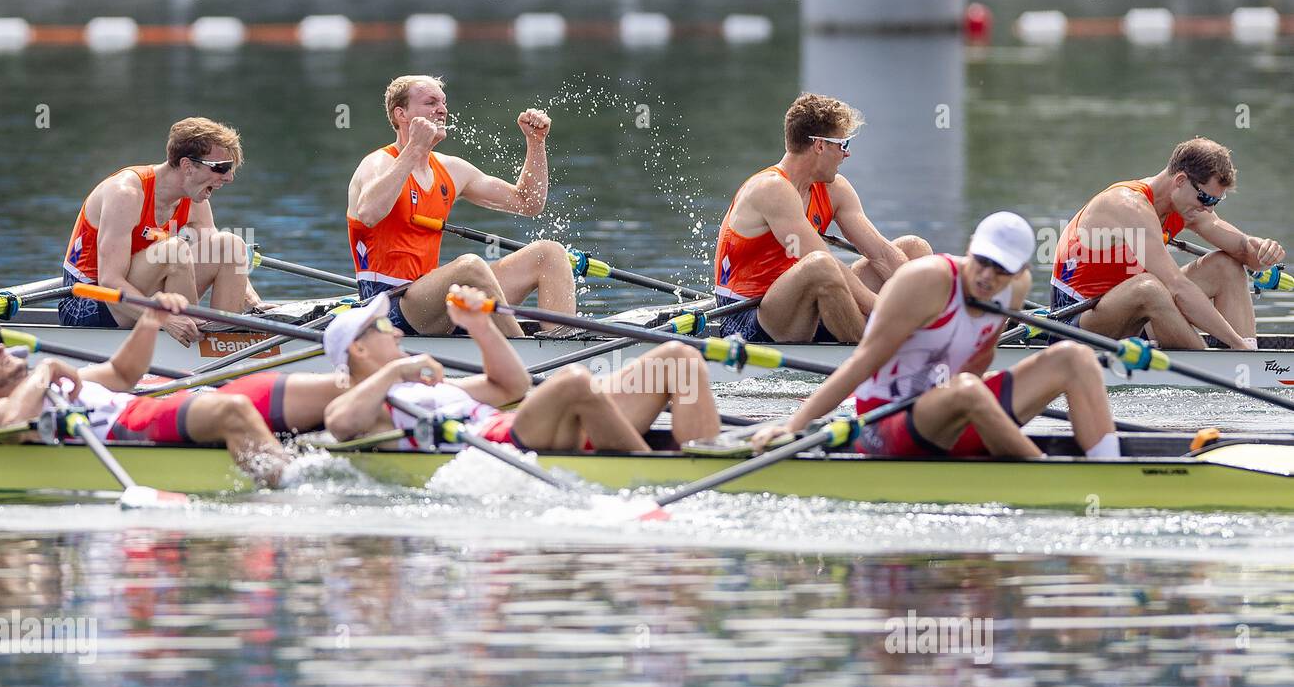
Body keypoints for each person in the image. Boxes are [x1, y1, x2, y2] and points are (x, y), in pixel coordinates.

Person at [753, 212, 1118, 461]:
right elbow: (861, 363)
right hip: (886, 423)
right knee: (967, 390)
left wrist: (969, 405)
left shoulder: (1015, 290)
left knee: (1076, 357)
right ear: (972, 246)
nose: (988, 276)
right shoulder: (925, 282)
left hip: (953, 411)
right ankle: (1049, 476)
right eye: (983, 261)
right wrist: (793, 425)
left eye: (1002, 269)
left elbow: (980, 360)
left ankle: (1111, 472)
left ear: (1020, 271)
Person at [323, 286, 720, 454]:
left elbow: (513, 385)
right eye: (380, 326)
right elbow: (339, 424)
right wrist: (396, 373)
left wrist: (478, 325)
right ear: (357, 348)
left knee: (678, 357)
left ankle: (706, 459)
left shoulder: (435, 385)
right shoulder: (372, 404)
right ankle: (657, 476)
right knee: (574, 380)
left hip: (528, 424)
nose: (395, 329)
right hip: (498, 446)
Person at [346, 75, 576, 338]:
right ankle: (524, 358)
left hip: (435, 304)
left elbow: (529, 203)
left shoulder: (451, 169)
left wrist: (536, 143)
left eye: (443, 102)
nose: (442, 109)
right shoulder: (377, 164)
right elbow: (369, 213)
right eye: (430, 102)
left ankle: (565, 344)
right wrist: (414, 149)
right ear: (402, 114)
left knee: (549, 254)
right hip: (388, 306)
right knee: (469, 267)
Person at [0, 293, 299, 486]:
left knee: (268, 397)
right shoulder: (13, 401)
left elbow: (122, 372)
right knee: (233, 409)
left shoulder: (43, 382)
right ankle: (296, 491)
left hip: (139, 411)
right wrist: (46, 369)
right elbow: (11, 424)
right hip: (125, 426)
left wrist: (151, 320)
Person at [713, 92, 931, 343]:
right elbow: (824, 262)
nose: (846, 154)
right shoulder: (771, 189)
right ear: (819, 145)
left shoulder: (834, 189)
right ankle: (875, 350)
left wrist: (935, 309)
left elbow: (880, 253)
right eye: (843, 145)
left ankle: (933, 326)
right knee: (821, 264)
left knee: (914, 249)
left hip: (806, 305)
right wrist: (888, 311)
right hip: (748, 318)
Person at [1051, 137, 1286, 350]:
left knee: (1225, 266)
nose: (1208, 208)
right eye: (1205, 198)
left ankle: (1246, 361)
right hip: (1076, 322)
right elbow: (1177, 287)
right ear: (1181, 180)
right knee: (1149, 288)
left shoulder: (1186, 205)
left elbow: (1243, 251)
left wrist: (1264, 251)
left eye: (1216, 200)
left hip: (1134, 319)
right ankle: (1223, 365)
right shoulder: (1127, 205)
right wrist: (1234, 342)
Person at [57, 117, 262, 347]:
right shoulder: (126, 193)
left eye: (230, 169)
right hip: (90, 301)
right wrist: (163, 318)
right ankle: (191, 341)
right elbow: (109, 280)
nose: (229, 177)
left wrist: (254, 305)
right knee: (174, 251)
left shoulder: (195, 197)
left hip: (139, 297)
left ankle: (224, 343)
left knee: (230, 245)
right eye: (221, 168)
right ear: (187, 166)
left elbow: (222, 257)